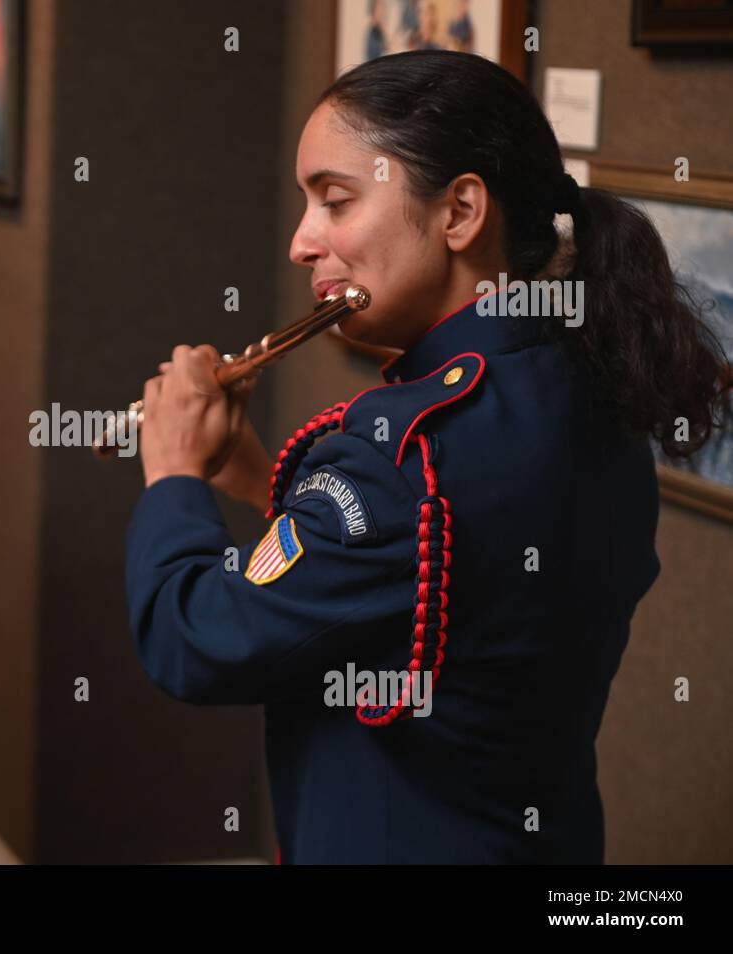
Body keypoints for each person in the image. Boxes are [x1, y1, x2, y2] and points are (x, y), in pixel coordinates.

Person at [125, 50, 728, 863]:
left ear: (460, 213)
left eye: (335, 202)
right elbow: (420, 586)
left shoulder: (400, 461)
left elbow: (190, 638)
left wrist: (170, 472)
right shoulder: (595, 385)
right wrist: (259, 477)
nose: (303, 242)